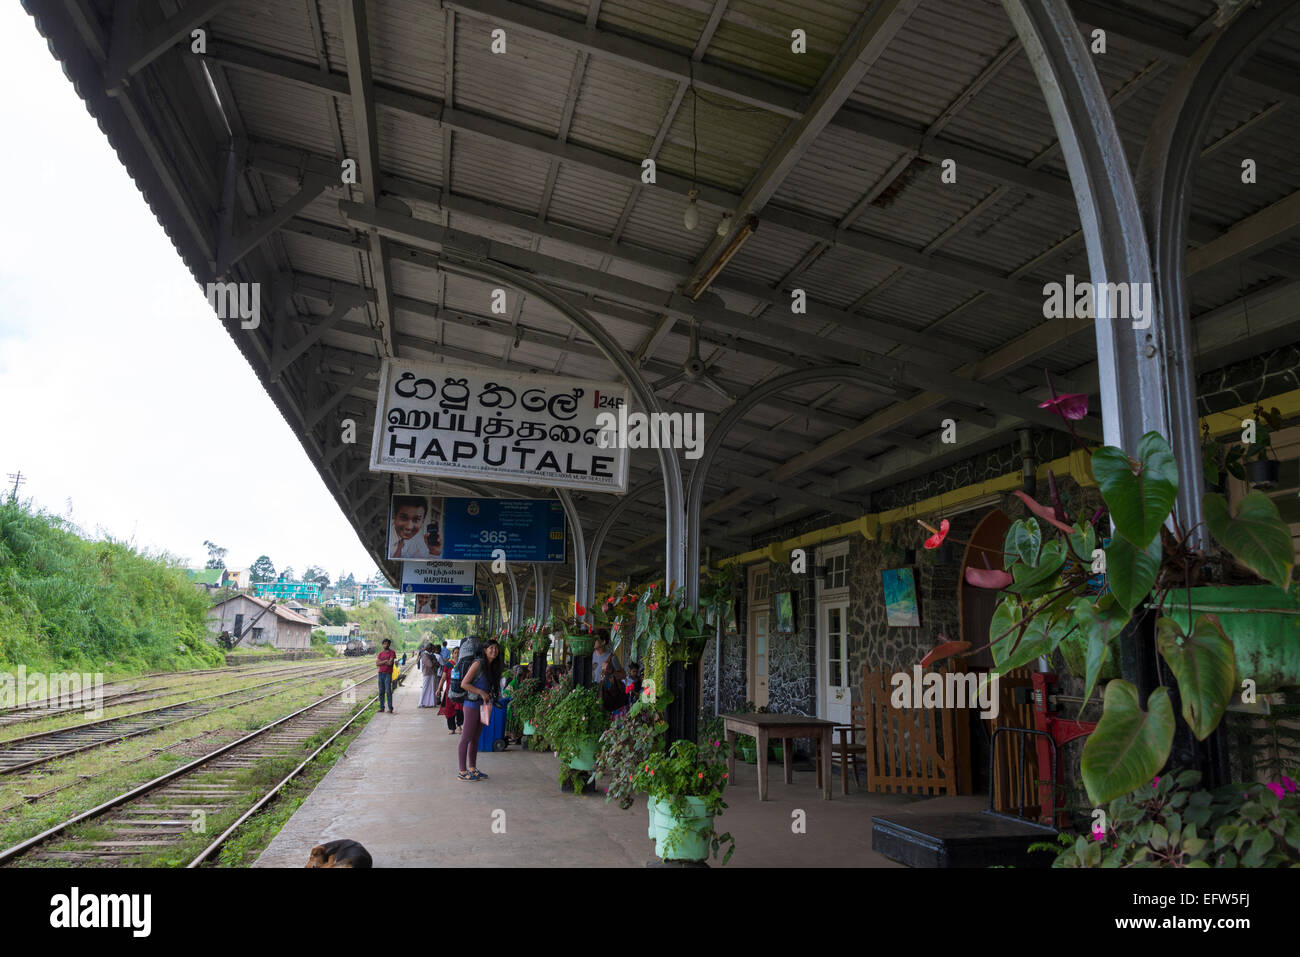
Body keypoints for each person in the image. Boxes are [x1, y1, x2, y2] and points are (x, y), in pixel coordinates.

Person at [456, 638, 501, 782]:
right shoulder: (478, 663)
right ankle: (462, 771)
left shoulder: (492, 666)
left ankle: (472, 768)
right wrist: (481, 692)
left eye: (496, 648)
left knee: (475, 738)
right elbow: (464, 684)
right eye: (491, 648)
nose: (494, 651)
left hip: (484, 706)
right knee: (466, 738)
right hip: (471, 705)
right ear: (485, 650)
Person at [388, 495, 441, 559]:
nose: (409, 527)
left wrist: (434, 552)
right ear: (394, 517)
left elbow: (421, 566)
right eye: (403, 518)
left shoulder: (420, 542)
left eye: (416, 520)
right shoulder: (386, 534)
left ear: (422, 522)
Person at [437, 648, 463, 733]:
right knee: (449, 710)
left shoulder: (463, 664)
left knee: (459, 709)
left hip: (460, 691)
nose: (457, 654)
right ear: (452, 654)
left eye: (459, 653)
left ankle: (459, 726)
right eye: (455, 653)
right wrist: (439, 688)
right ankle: (452, 728)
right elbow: (443, 678)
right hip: (449, 691)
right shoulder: (448, 665)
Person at [376, 639, 397, 713]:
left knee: (388, 691)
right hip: (380, 673)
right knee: (381, 692)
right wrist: (385, 661)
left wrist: (382, 662)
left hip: (388, 674)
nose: (385, 645)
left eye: (387, 644)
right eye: (384, 644)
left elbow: (390, 663)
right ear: (382, 645)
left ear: (389, 644)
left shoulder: (392, 652)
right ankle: (382, 708)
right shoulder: (380, 653)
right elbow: (377, 663)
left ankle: (390, 708)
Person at [418, 642, 440, 708]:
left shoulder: (432, 655)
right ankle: (421, 703)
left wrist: (434, 662)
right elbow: (430, 664)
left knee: (432, 688)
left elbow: (437, 664)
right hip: (427, 673)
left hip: (433, 673)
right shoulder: (424, 655)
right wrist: (434, 662)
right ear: (429, 648)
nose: (434, 650)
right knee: (425, 688)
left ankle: (431, 703)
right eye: (432, 648)